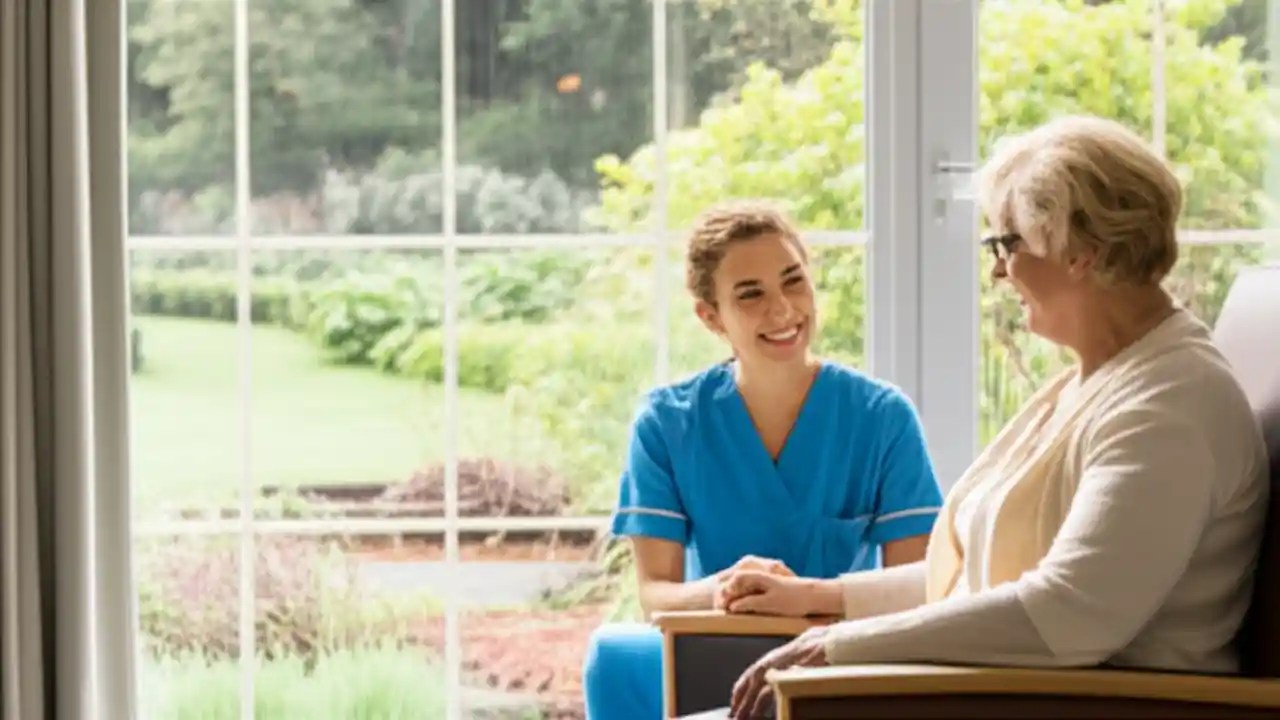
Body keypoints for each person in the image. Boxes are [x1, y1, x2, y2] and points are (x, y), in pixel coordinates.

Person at [723, 115, 1271, 717]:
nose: (997, 272)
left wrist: (837, 645)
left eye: (1006, 245)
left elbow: (1067, 613)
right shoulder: (1100, 379)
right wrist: (820, 597)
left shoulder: (1170, 406)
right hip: (1015, 691)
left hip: (1088, 704)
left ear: (1079, 251)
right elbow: (984, 584)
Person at [581, 201, 946, 720]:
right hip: (714, 651)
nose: (781, 310)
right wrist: (729, 590)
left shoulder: (882, 417)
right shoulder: (667, 422)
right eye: (750, 295)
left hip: (836, 658)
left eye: (793, 281)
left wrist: (805, 602)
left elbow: (917, 588)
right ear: (711, 317)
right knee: (611, 656)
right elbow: (654, 594)